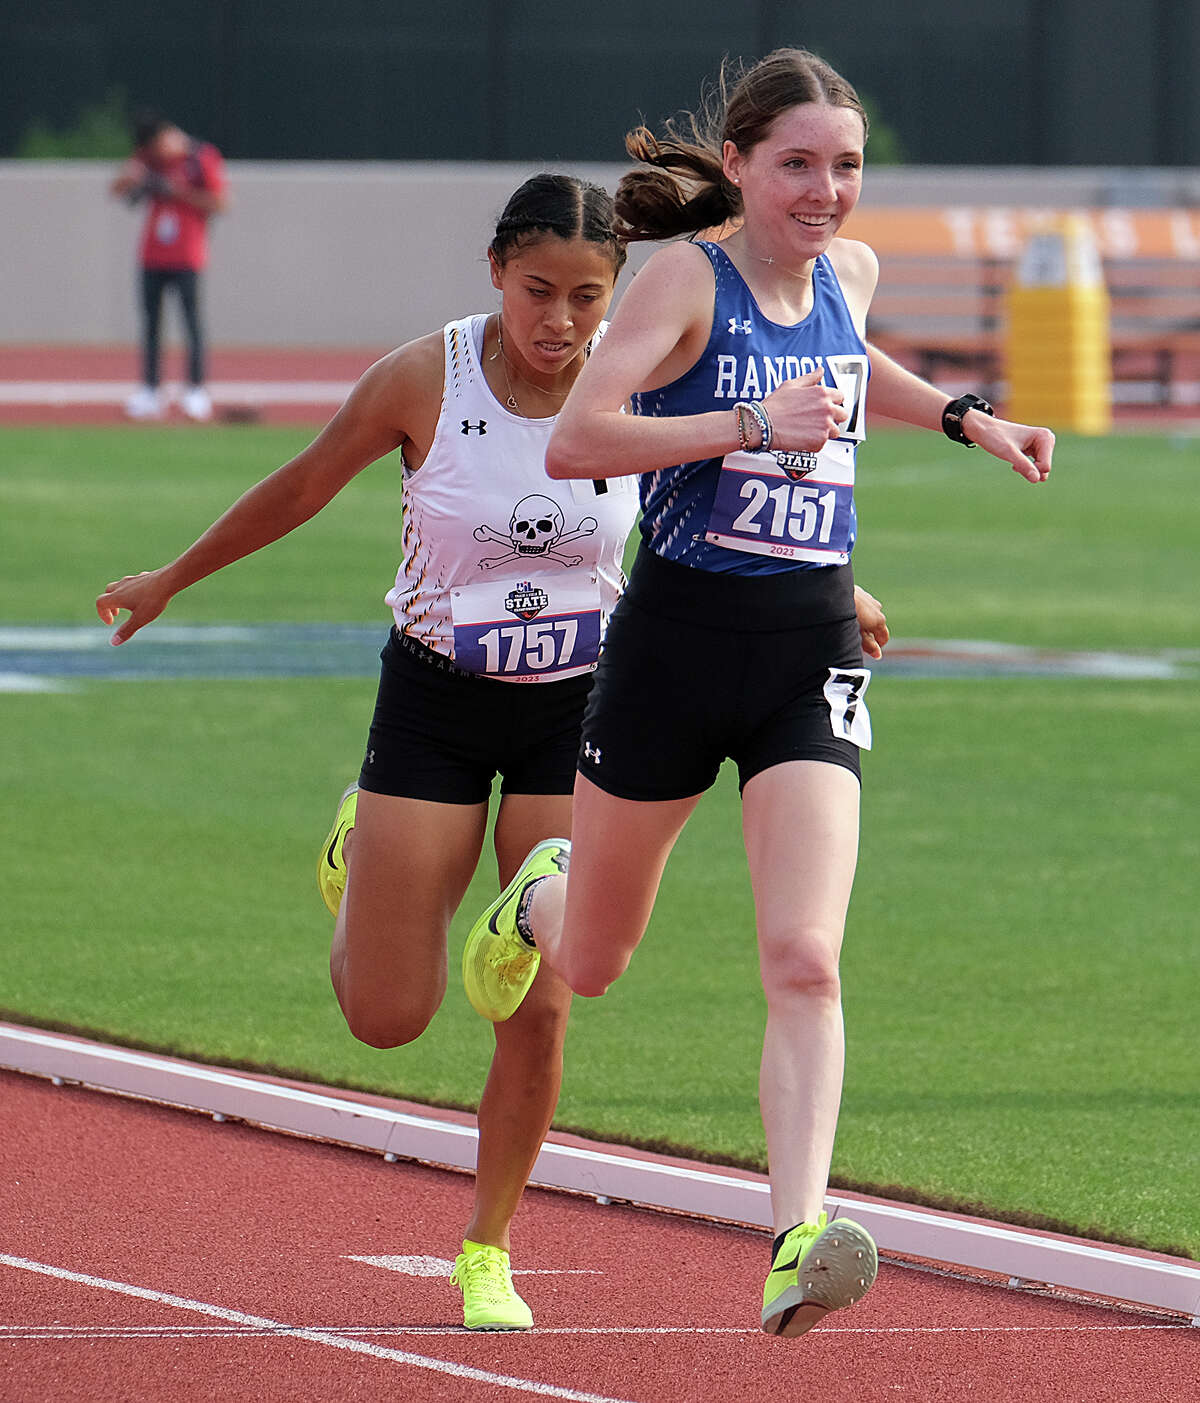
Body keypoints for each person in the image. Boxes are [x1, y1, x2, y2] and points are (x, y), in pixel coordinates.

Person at [95, 170, 888, 1333]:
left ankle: (487, 1244)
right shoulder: (428, 376)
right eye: (537, 292)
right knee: (385, 1013)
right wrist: (173, 577)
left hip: (584, 707)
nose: (559, 323)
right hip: (434, 700)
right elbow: (306, 481)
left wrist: (839, 591)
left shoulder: (642, 379)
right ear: (495, 275)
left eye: (583, 297)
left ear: (614, 293)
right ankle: (360, 833)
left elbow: (721, 507)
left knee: (545, 997)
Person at [461, 49, 1054, 1340]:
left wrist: (966, 416)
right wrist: (741, 427)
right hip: (675, 646)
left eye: (845, 166)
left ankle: (795, 1233)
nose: (826, 189)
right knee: (601, 959)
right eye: (798, 163)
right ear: (737, 166)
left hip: (808, 645)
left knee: (805, 953)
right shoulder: (687, 278)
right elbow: (578, 438)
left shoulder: (849, 275)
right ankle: (537, 893)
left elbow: (851, 369)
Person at [110, 111, 229, 423]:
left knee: (191, 323)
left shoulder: (201, 157)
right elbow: (117, 189)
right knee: (151, 324)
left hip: (188, 254)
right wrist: (135, 175)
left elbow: (220, 203)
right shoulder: (148, 158)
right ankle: (150, 390)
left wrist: (175, 190)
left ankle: (195, 391)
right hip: (152, 254)